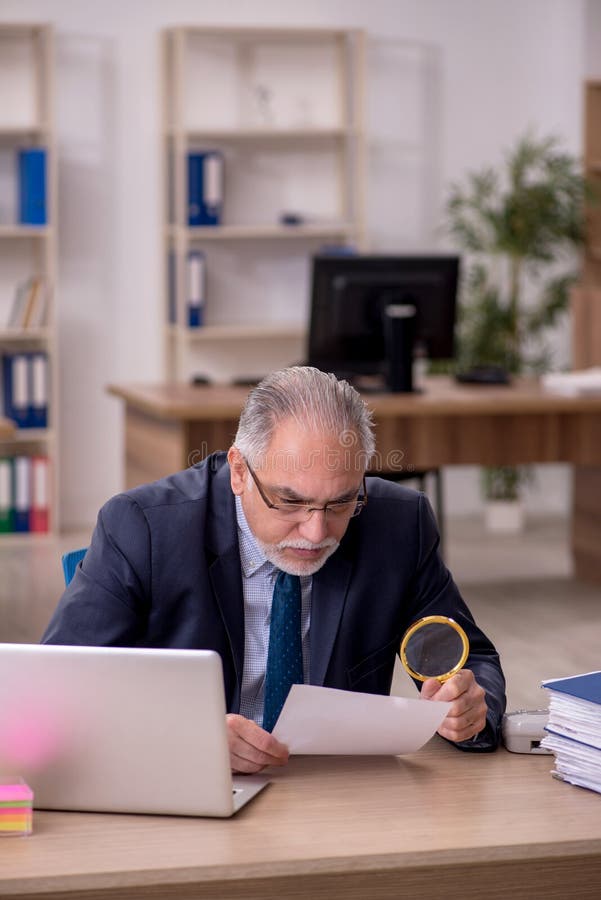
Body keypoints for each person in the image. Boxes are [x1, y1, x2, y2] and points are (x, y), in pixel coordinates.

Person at [43, 366, 506, 773]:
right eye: (290, 502)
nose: (315, 531)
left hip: (338, 795)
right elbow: (57, 688)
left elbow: (474, 660)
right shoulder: (143, 527)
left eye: (342, 502)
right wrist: (182, 737)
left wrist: (468, 707)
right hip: (195, 787)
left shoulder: (399, 524)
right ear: (239, 472)